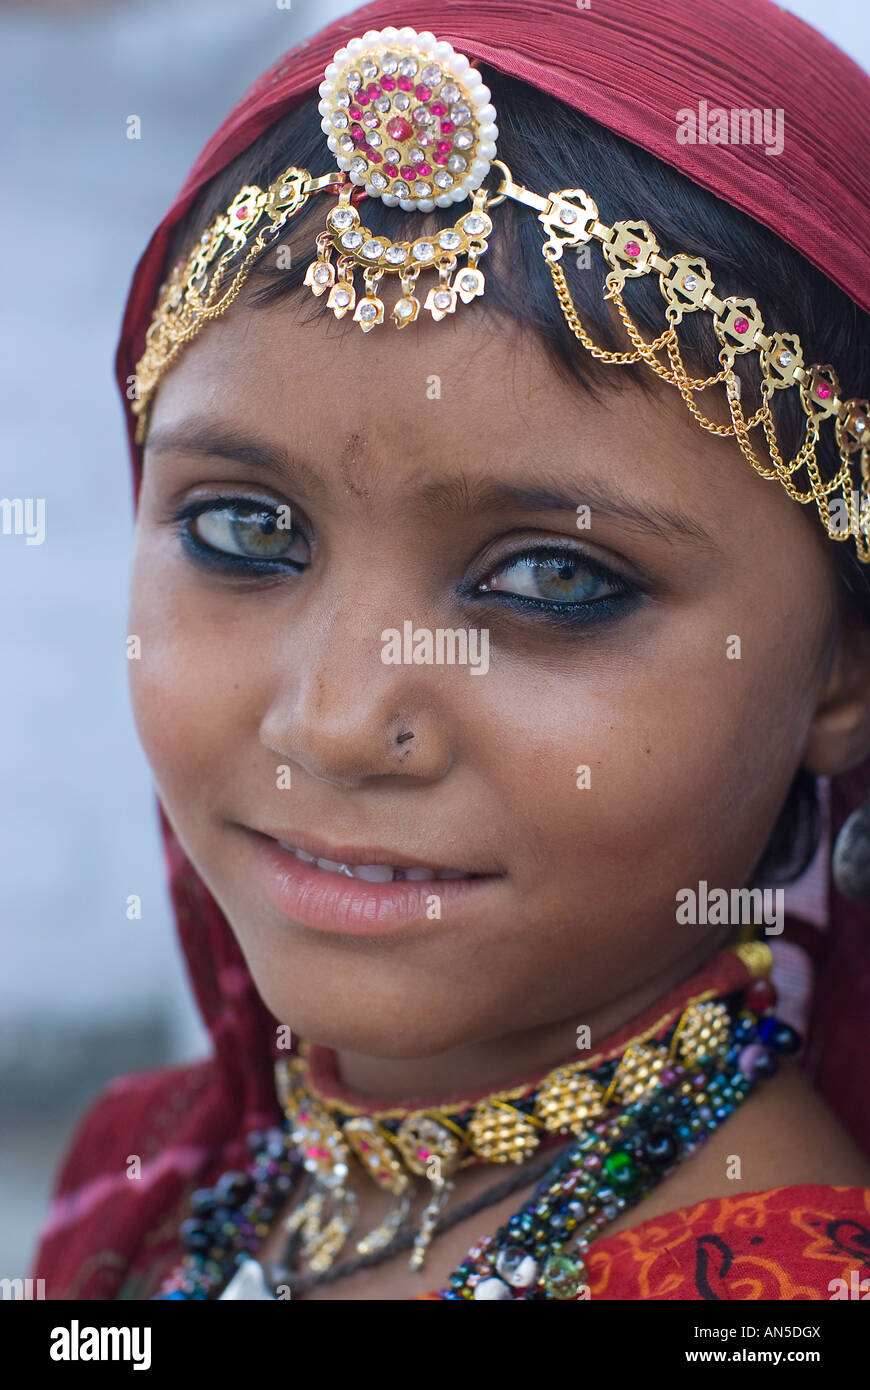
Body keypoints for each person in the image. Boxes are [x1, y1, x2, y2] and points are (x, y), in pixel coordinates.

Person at [33, 0, 870, 1301]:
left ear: (844, 666)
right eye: (246, 529)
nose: (334, 716)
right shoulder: (149, 1186)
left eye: (550, 577)